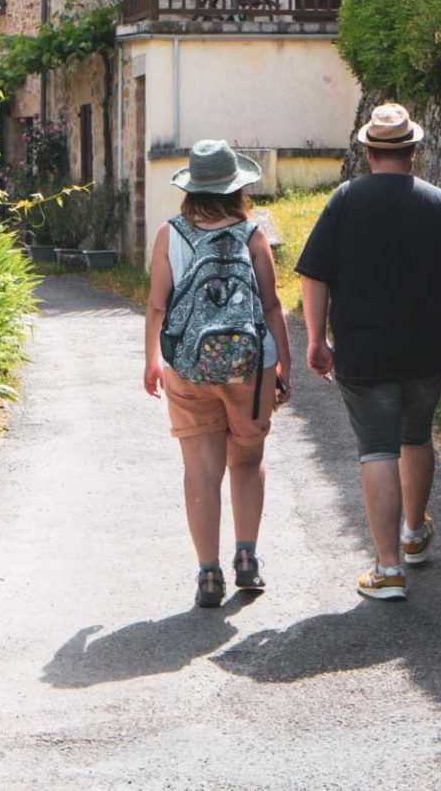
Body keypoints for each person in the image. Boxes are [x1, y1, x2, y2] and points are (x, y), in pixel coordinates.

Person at [297, 103, 441, 601]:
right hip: (426, 350)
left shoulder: (344, 200)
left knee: (377, 448)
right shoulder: (438, 202)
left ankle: (387, 568)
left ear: (369, 151)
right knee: (416, 436)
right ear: (413, 152)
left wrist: (316, 339)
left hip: (364, 352)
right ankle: (415, 534)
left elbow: (314, 275)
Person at [144, 139, 291, 608]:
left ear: (191, 187)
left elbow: (156, 304)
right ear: (236, 187)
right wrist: (283, 362)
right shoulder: (253, 233)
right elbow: (270, 304)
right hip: (251, 366)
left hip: (187, 367)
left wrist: (151, 359)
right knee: (246, 460)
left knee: (200, 470)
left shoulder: (171, 233)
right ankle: (246, 558)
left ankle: (209, 575)